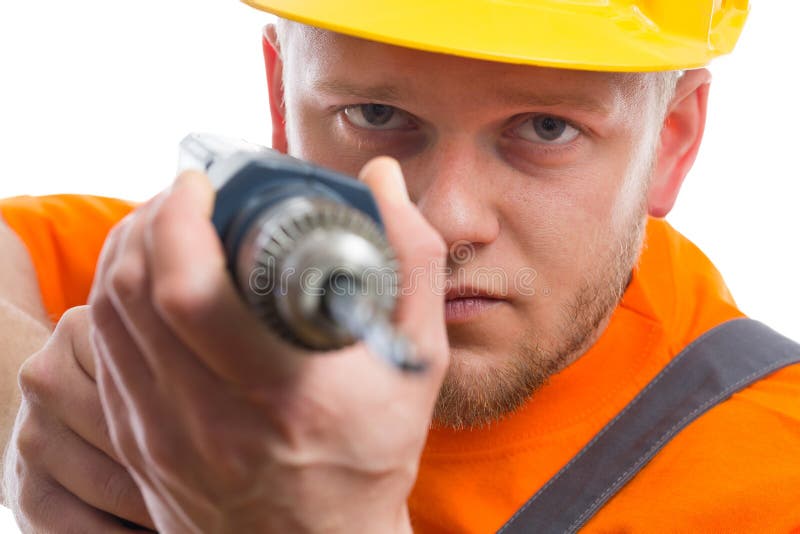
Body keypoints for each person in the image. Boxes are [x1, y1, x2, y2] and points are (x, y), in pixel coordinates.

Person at [1, 0, 799, 532]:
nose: (443, 219)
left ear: (672, 142)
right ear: (282, 100)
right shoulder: (229, 280)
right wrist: (43, 419)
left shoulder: (775, 478)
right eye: (376, 116)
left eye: (548, 128)